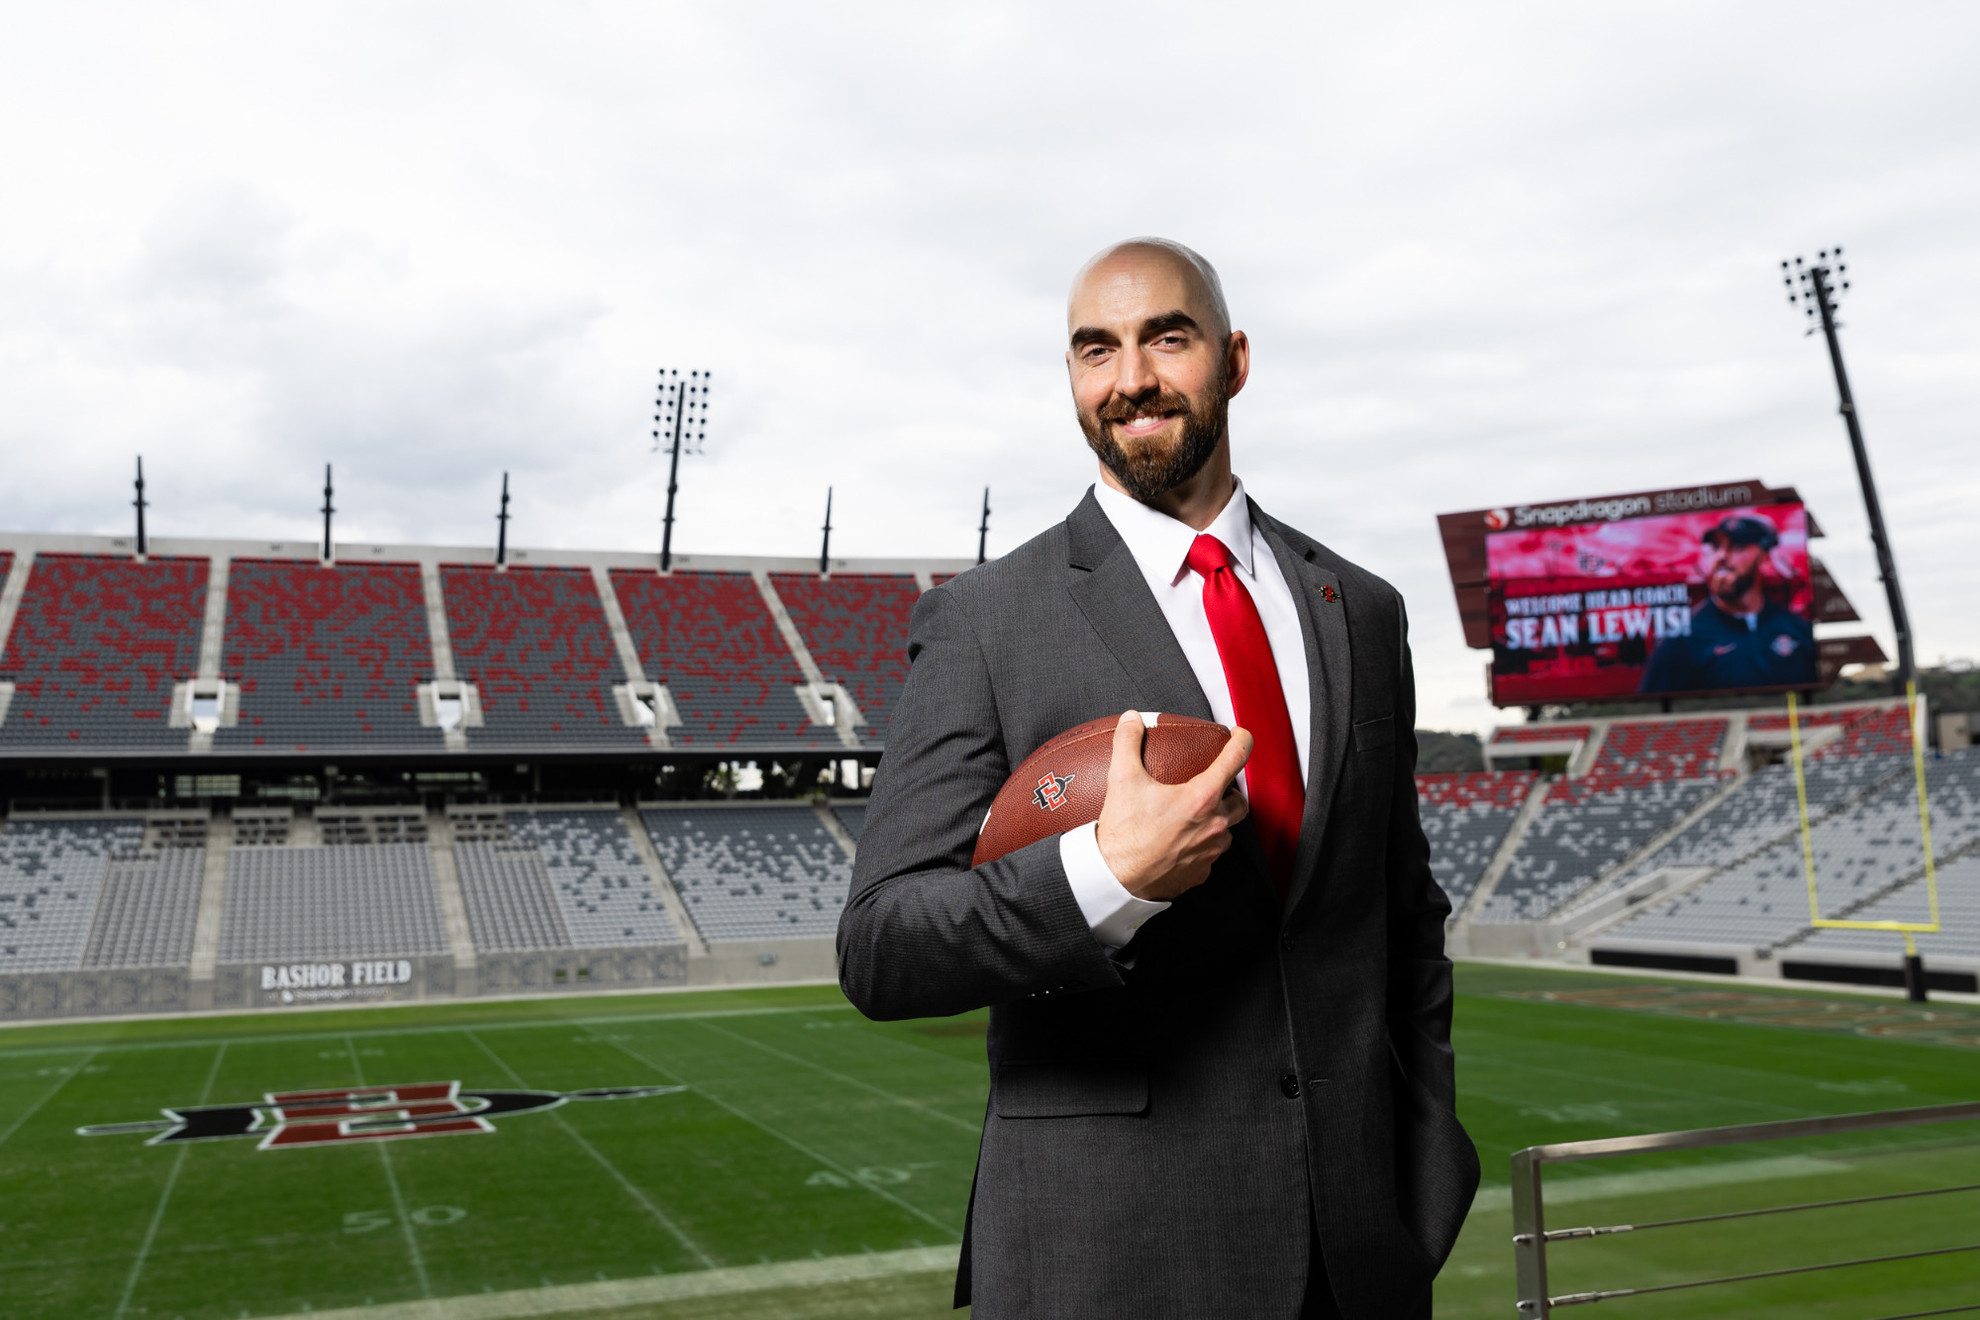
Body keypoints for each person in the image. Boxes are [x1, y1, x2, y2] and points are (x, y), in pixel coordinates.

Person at [836, 239, 1478, 1319]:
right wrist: (1102, 876)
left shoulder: (1362, 609)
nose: (1130, 376)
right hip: (1110, 1256)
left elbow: (1402, 916)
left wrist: (1421, 1168)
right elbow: (881, 947)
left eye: (1166, 338)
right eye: (1097, 349)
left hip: (1361, 1252)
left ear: (1231, 358)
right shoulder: (990, 621)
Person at [1639, 515, 1816, 694]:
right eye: (1716, 547)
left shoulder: (1797, 631)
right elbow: (1649, 709)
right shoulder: (1682, 640)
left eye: (1737, 546)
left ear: (1765, 556)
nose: (1722, 556)